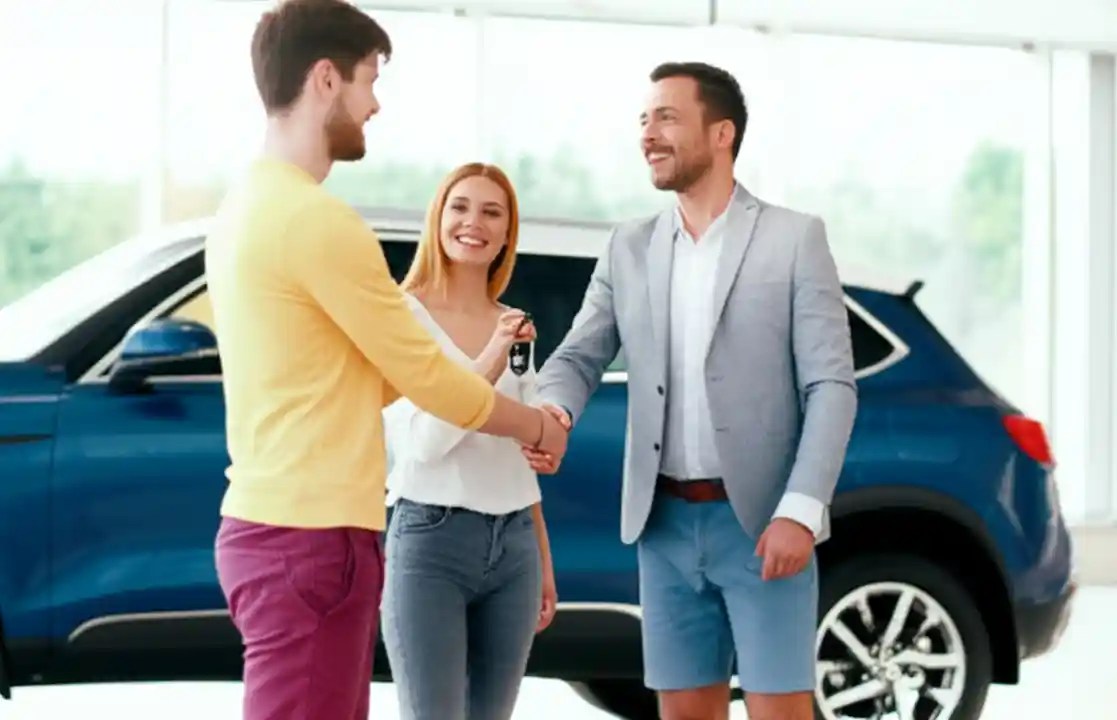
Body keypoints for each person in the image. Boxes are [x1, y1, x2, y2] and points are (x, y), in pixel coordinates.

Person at [204, 3, 566, 719]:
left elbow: (350, 383)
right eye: (371, 79)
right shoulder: (317, 220)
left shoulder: (245, 206)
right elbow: (426, 380)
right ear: (326, 78)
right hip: (309, 540)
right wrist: (537, 426)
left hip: (283, 531)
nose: (376, 102)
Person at [531, 61, 857, 720]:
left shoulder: (795, 239)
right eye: (643, 120)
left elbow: (831, 385)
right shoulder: (629, 245)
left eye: (667, 118)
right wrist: (550, 409)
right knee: (681, 714)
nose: (648, 133)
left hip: (763, 523)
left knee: (780, 714)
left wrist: (800, 509)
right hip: (664, 526)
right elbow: (580, 353)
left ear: (721, 134)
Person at [379, 163, 557, 720]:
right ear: (438, 218)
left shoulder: (515, 323)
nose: (472, 222)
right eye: (460, 207)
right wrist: (490, 359)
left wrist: (543, 559)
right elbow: (426, 445)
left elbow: (521, 458)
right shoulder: (402, 317)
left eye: (491, 211)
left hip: (514, 549)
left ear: (507, 233)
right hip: (430, 541)